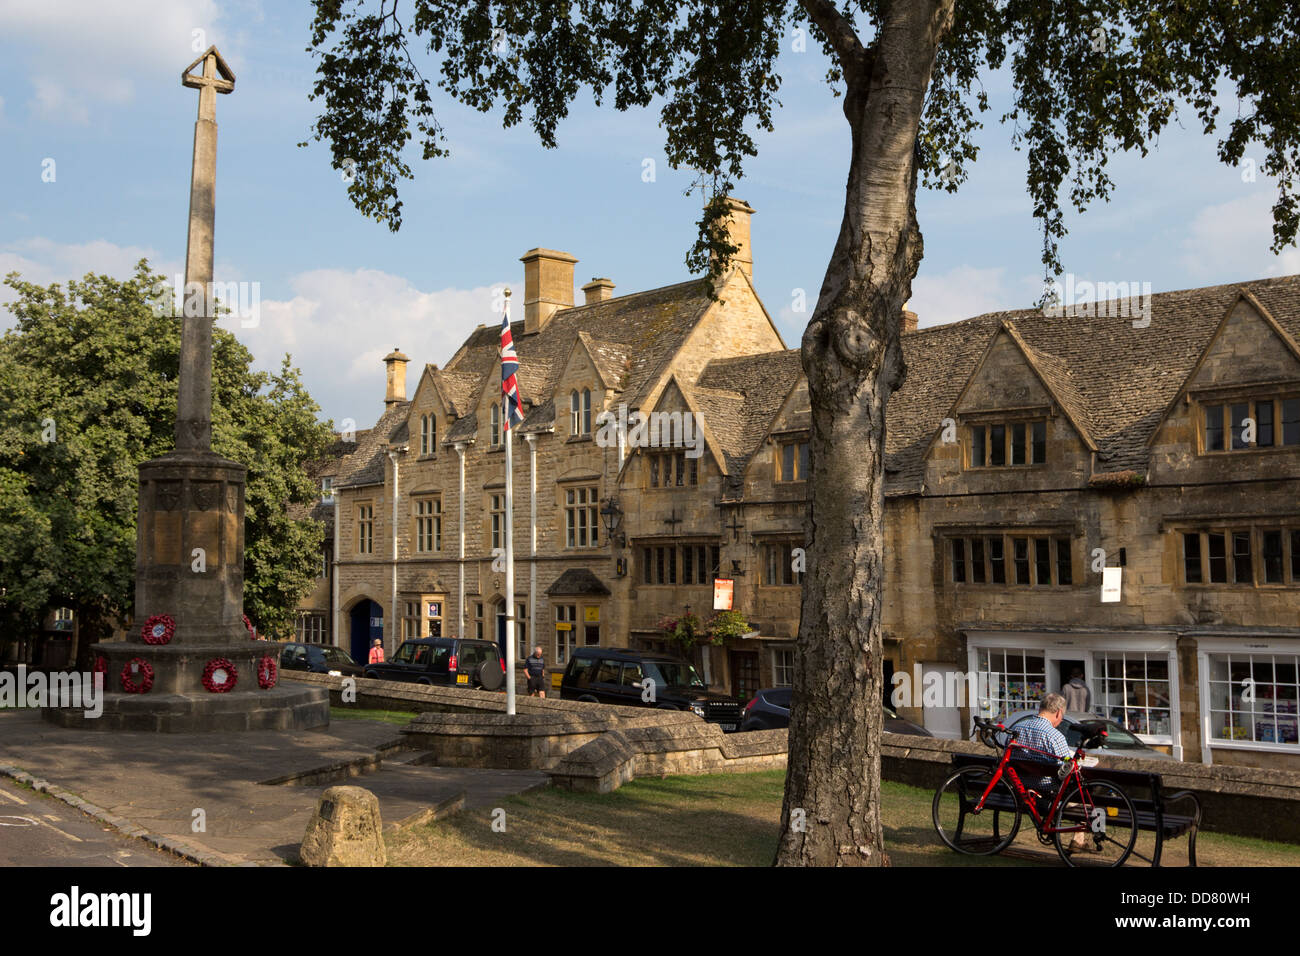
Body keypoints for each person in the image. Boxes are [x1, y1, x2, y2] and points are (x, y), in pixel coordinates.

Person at [1012, 693, 1094, 853]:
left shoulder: (1017, 728)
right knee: (1087, 797)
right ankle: (1080, 840)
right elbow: (1068, 769)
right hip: (1048, 792)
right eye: (1061, 716)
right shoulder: (1054, 736)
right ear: (1058, 713)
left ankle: (1079, 840)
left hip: (1020, 788)